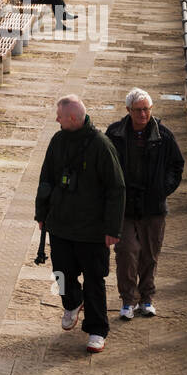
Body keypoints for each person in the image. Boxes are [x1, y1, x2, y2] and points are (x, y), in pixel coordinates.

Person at [35, 95, 125, 353]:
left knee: (94, 280)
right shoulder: (57, 140)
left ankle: (97, 329)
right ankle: (72, 302)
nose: (56, 119)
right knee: (61, 273)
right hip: (61, 225)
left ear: (72, 118)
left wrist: (112, 229)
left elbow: (116, 189)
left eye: (59, 116)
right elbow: (46, 179)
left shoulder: (101, 145)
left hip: (92, 231)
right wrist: (41, 214)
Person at [107, 89, 184, 319]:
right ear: (128, 110)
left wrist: (163, 189)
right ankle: (128, 300)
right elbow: (103, 164)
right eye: (138, 110)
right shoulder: (115, 133)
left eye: (147, 109)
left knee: (150, 255)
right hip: (125, 206)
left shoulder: (164, 135)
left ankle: (147, 298)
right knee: (126, 252)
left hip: (153, 206)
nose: (143, 114)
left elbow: (176, 165)